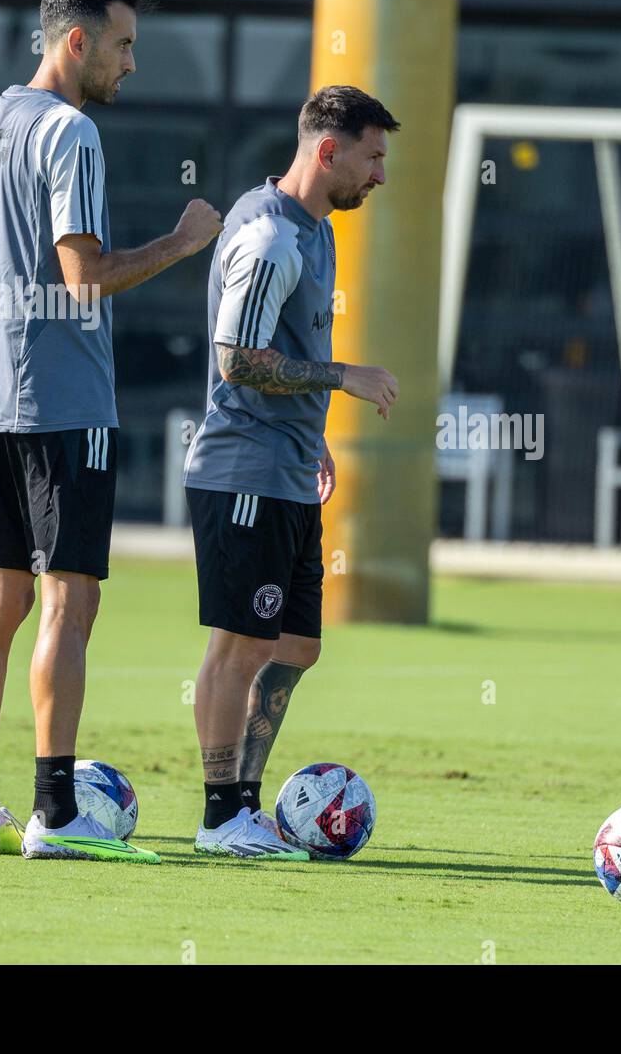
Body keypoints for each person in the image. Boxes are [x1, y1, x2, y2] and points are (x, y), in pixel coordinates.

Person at [0, 0, 222, 861]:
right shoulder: (72, 132)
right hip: (65, 406)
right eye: (123, 44)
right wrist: (183, 244)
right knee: (70, 604)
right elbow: (84, 280)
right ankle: (54, 814)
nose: (130, 62)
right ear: (77, 41)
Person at [182, 85, 400, 856]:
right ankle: (221, 815)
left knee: (296, 643)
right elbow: (237, 359)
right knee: (239, 646)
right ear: (328, 150)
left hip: (286, 465)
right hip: (242, 470)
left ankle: (244, 800)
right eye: (373, 158)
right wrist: (342, 377)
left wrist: (316, 434)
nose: (380, 175)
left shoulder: (316, 227)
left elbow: (285, 351)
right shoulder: (272, 237)